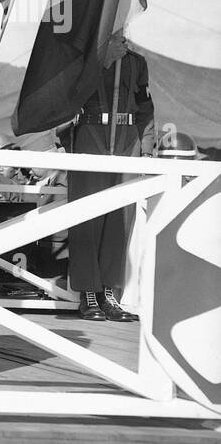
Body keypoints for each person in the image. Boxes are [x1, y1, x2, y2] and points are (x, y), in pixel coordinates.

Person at [65, 32, 151, 322]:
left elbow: (145, 106)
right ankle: (88, 292)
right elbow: (68, 96)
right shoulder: (84, 61)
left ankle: (107, 291)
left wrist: (146, 147)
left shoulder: (137, 63)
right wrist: (101, 59)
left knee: (120, 218)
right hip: (91, 134)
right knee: (87, 216)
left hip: (127, 138)